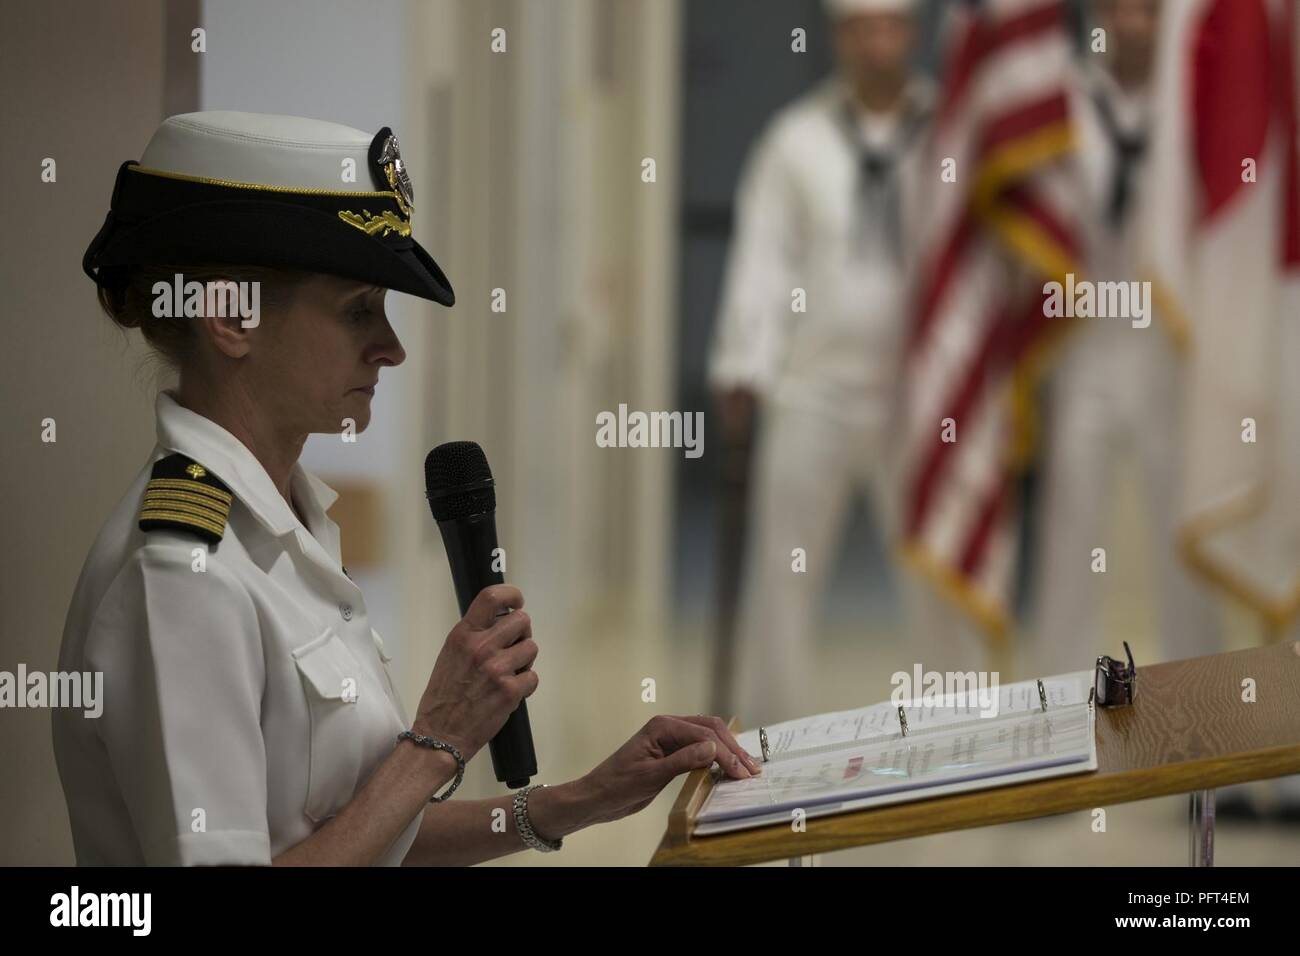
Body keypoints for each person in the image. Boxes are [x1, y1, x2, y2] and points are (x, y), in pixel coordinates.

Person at [53, 110, 759, 867]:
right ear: (230, 314)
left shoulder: (289, 523)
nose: (390, 348)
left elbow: (358, 836)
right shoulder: (181, 574)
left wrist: (578, 800)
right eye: (360, 310)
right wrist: (437, 743)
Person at [708, 0, 936, 725]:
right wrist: (745, 362)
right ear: (838, 37)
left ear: (913, 32)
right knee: (783, 576)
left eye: (891, 26)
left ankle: (967, 732)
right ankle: (771, 740)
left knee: (941, 574)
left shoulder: (948, 131)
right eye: (860, 28)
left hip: (923, 397)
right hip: (814, 390)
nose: (877, 44)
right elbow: (763, 262)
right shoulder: (794, 141)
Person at [1029, 0, 1221, 677]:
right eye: (1119, 9)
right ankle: (1057, 718)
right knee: (1070, 539)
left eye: (1148, 10)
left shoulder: (1194, 99)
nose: (1134, 25)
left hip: (1169, 344)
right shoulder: (1059, 106)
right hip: (1084, 341)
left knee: (1185, 533)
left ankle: (1209, 718)